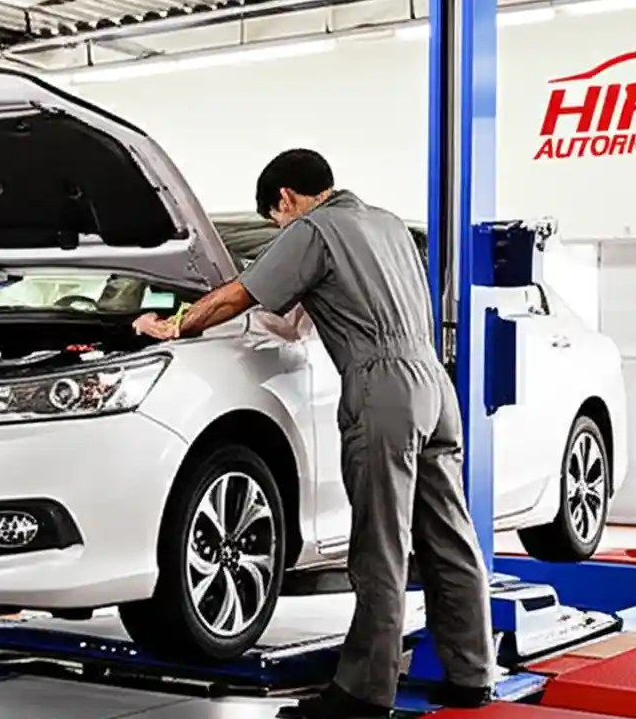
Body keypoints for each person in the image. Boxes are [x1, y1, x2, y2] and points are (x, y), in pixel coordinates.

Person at [132, 149, 495, 719]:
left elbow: (237, 296)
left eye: (276, 219)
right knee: (450, 535)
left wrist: (174, 323)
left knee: (380, 547)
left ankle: (364, 693)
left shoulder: (312, 230)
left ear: (285, 199)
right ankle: (473, 676)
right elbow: (317, 308)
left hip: (383, 388)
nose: (282, 228)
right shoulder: (387, 225)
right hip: (434, 386)